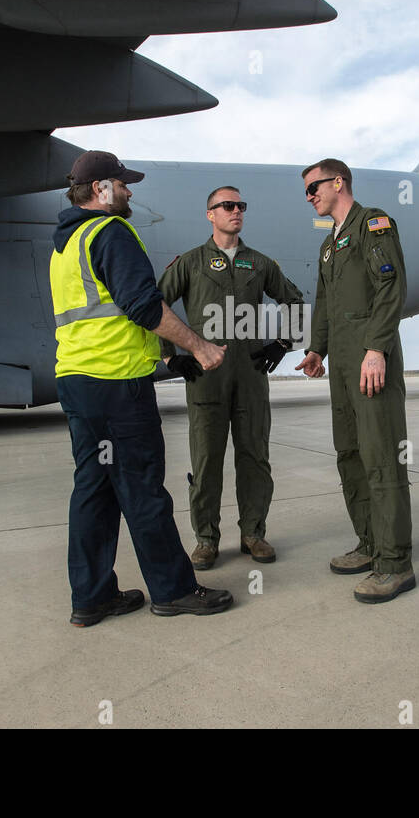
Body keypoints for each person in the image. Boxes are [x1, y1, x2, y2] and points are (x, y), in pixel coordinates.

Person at [49, 150, 234, 626]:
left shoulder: (64, 245)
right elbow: (143, 306)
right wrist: (199, 347)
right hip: (116, 384)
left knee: (93, 489)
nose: (130, 191)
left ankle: (92, 598)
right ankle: (173, 591)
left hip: (77, 380)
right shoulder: (110, 232)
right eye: (122, 183)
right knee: (143, 490)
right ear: (100, 189)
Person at [158, 186, 306, 570]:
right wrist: (170, 358)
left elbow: (294, 300)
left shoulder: (260, 263)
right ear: (210, 214)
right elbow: (156, 304)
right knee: (206, 460)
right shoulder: (190, 263)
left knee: (255, 458)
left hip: (251, 375)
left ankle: (253, 534)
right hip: (206, 378)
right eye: (227, 206)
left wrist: (282, 343)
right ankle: (206, 539)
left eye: (241, 205)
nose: (236, 211)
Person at [293, 159, 415, 603]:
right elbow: (323, 304)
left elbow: (391, 287)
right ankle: (369, 543)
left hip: (369, 359)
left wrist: (377, 348)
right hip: (342, 365)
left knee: (381, 454)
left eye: (314, 188)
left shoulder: (373, 224)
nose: (309, 196)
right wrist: (315, 350)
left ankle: (395, 562)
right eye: (306, 192)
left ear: (338, 182)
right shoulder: (330, 243)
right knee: (350, 453)